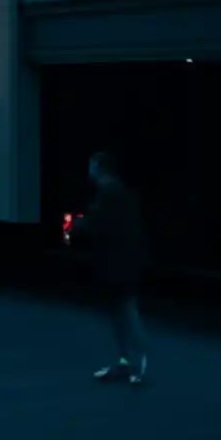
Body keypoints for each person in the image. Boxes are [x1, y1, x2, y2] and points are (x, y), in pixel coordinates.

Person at [70, 152, 149, 385]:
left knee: (125, 309)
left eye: (92, 166)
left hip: (117, 262)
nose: (89, 171)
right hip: (123, 260)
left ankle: (137, 362)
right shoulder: (122, 193)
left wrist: (77, 225)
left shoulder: (109, 195)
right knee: (121, 310)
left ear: (101, 169)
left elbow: (96, 223)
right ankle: (127, 361)